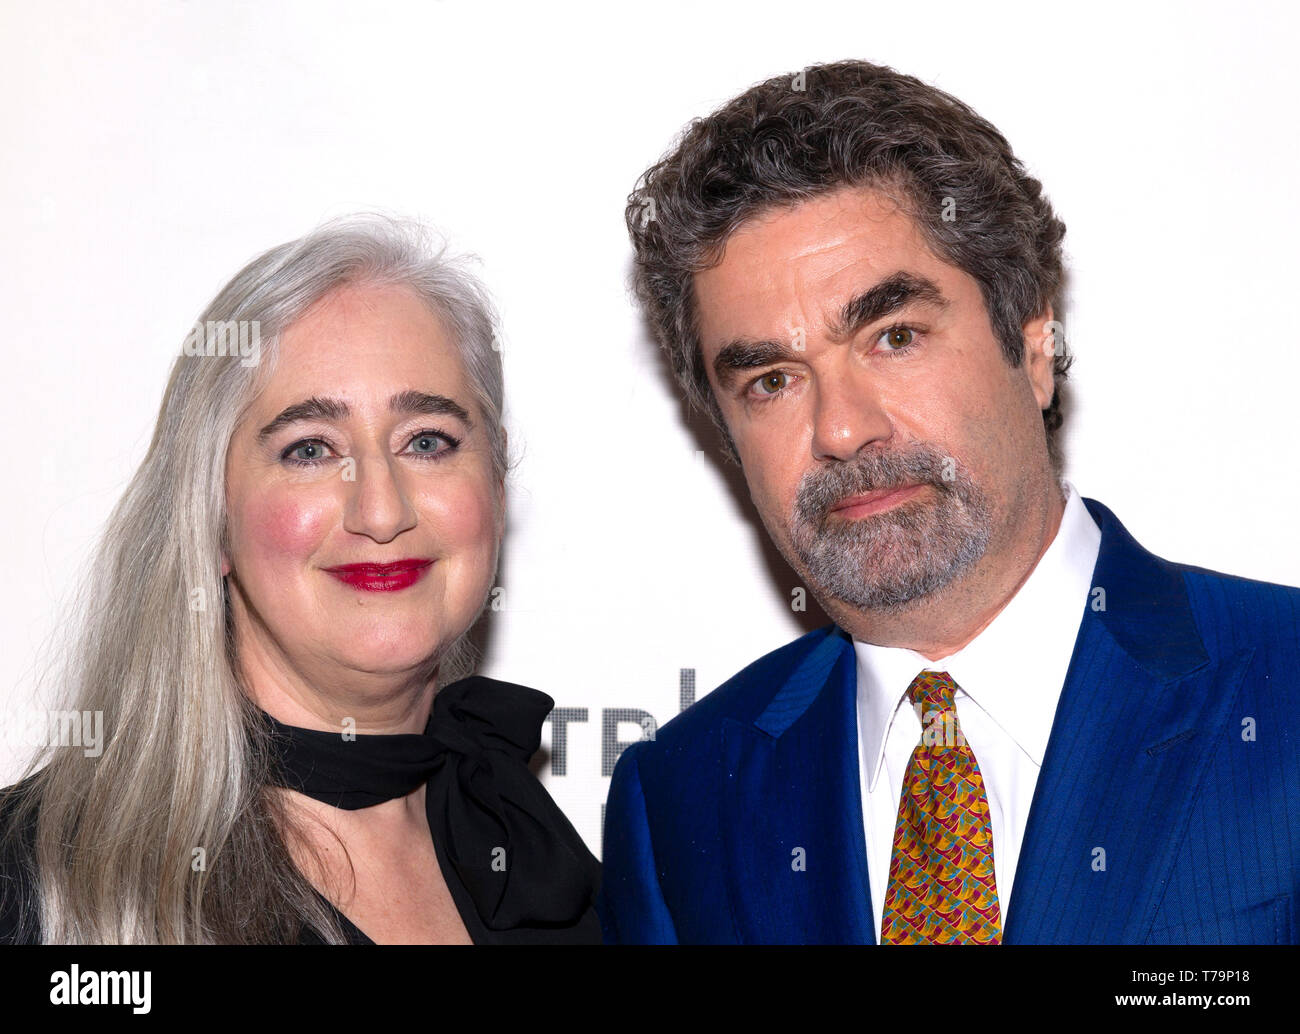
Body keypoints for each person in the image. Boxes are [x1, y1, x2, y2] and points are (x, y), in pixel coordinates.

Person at [599, 59, 1300, 944]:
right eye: (772, 380)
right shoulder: (681, 800)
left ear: (1033, 343)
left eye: (894, 337)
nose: (843, 429)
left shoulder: (1283, 691)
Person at [0, 215, 600, 944]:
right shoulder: (34, 881)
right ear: (212, 512)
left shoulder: (541, 859)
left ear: (497, 484)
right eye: (310, 448)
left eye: (427, 441)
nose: (381, 511)